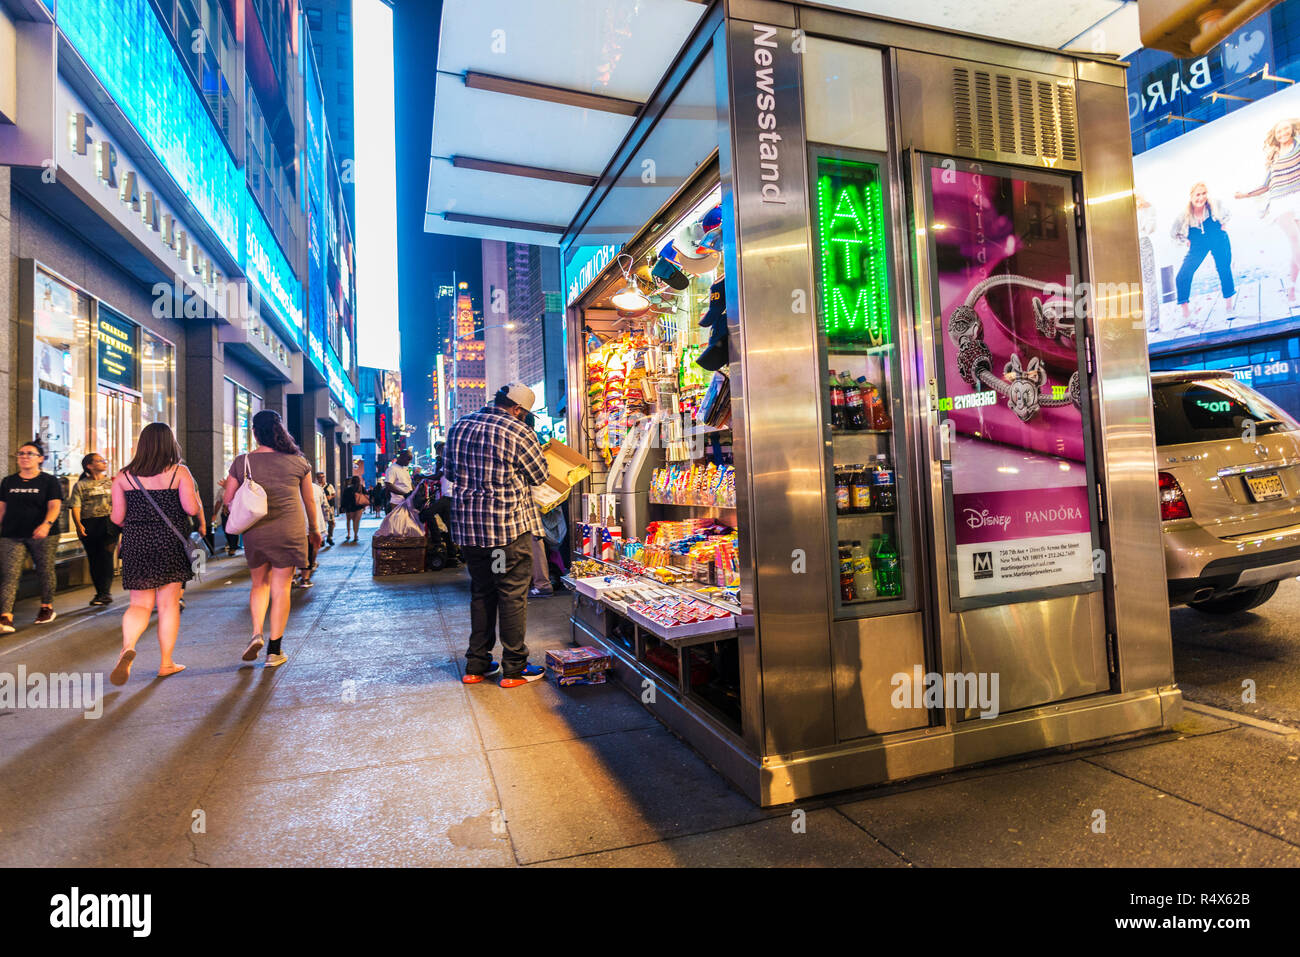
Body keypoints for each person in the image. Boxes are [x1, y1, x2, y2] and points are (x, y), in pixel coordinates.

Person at [445, 383, 550, 688]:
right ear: (518, 409)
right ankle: (514, 669)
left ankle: (476, 666)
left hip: (469, 532)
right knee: (512, 595)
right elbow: (539, 475)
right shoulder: (519, 432)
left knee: (482, 592)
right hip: (505, 532)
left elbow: (450, 473)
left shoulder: (459, 426)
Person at [223, 409, 320, 667]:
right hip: (289, 530)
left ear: (255, 433)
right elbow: (309, 500)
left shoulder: (242, 462)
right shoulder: (298, 462)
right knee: (281, 588)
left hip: (256, 532)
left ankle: (256, 633)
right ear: (281, 431)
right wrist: (315, 530)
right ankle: (274, 651)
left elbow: (227, 500)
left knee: (259, 585)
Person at [107, 423, 202, 684]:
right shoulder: (179, 472)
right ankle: (166, 663)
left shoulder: (123, 476)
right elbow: (191, 509)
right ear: (170, 443)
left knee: (139, 604)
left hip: (136, 542)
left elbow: (117, 517)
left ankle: (127, 648)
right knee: (169, 604)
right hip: (169, 542)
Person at [0, 440, 64, 633]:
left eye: (30, 453)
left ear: (40, 459)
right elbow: (2, 507)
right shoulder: (9, 481)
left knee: (44, 570)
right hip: (12, 533)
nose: (24, 457)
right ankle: (5, 616)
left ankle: (47, 606)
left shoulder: (49, 481)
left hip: (43, 534)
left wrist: (46, 525)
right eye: (21, 453)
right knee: (9, 574)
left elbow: (55, 506)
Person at [1237, 117, 1300, 304]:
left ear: (1292, 130)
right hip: (1280, 201)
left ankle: (1291, 288)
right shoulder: (1274, 155)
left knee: (1296, 246)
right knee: (1295, 240)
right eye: (1279, 131)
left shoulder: (1298, 148)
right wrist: (1246, 194)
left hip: (1298, 196)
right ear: (1275, 135)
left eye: (1286, 129)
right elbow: (1266, 184)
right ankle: (1292, 290)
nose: (1283, 133)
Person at [1170, 182, 1236, 328]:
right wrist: (1185, 240)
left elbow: (1228, 214)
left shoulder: (1215, 205)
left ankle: (1229, 307)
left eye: (1203, 193)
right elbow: (1173, 232)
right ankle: (1186, 316)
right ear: (1191, 196)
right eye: (1198, 194)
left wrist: (1224, 224)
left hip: (1218, 237)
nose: (1201, 197)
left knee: (1224, 269)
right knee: (1182, 275)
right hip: (1198, 242)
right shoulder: (1185, 215)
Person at [70, 453, 118, 606]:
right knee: (94, 558)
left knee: (107, 556)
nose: (104, 462)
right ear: (89, 466)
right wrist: (78, 525)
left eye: (104, 460)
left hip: (109, 523)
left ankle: (105, 593)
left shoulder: (112, 482)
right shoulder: (81, 485)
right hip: (89, 523)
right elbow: (76, 506)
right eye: (99, 461)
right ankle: (99, 592)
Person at [296, 475, 327, 588]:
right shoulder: (317, 488)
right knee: (310, 550)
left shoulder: (290, 488)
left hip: (293, 525)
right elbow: (322, 504)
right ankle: (305, 577)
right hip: (311, 525)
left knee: (293, 551)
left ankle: (293, 576)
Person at [340, 475, 367, 543]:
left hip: (349, 507)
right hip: (358, 506)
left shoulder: (348, 489)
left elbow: (344, 498)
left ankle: (348, 534)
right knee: (356, 521)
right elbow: (366, 495)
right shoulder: (361, 488)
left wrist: (342, 507)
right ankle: (355, 535)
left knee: (349, 520)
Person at [317, 472, 337, 545]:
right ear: (317, 478)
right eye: (319, 477)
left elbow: (334, 494)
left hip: (329, 507)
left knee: (331, 522)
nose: (321, 478)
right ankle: (322, 539)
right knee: (321, 523)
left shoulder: (329, 486)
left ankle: (329, 537)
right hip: (319, 508)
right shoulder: (316, 486)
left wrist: (330, 497)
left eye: (323, 477)